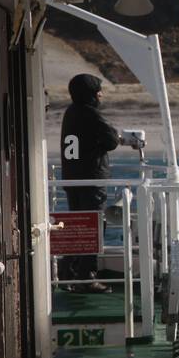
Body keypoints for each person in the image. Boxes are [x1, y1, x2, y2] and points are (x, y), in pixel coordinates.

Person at [60, 74, 121, 293]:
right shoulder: (90, 114)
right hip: (90, 180)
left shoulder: (70, 113)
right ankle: (87, 277)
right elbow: (112, 140)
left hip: (73, 180)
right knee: (93, 227)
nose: (101, 95)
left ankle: (68, 271)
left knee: (78, 226)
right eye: (98, 91)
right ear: (90, 94)